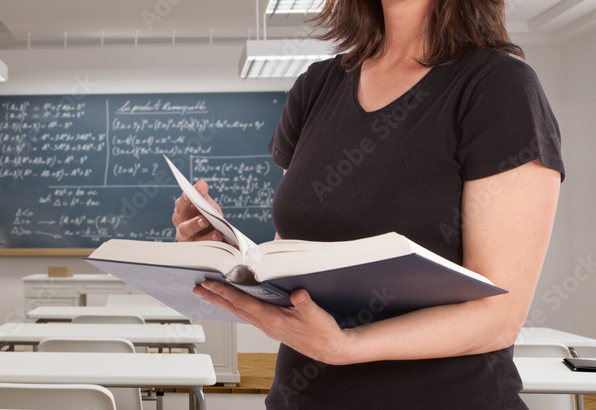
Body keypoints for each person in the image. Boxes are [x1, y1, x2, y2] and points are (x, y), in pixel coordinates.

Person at [171, 0, 565, 408]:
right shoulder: (317, 86)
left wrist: (346, 345)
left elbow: (498, 317)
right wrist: (224, 255)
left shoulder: (498, 86)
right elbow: (291, 264)